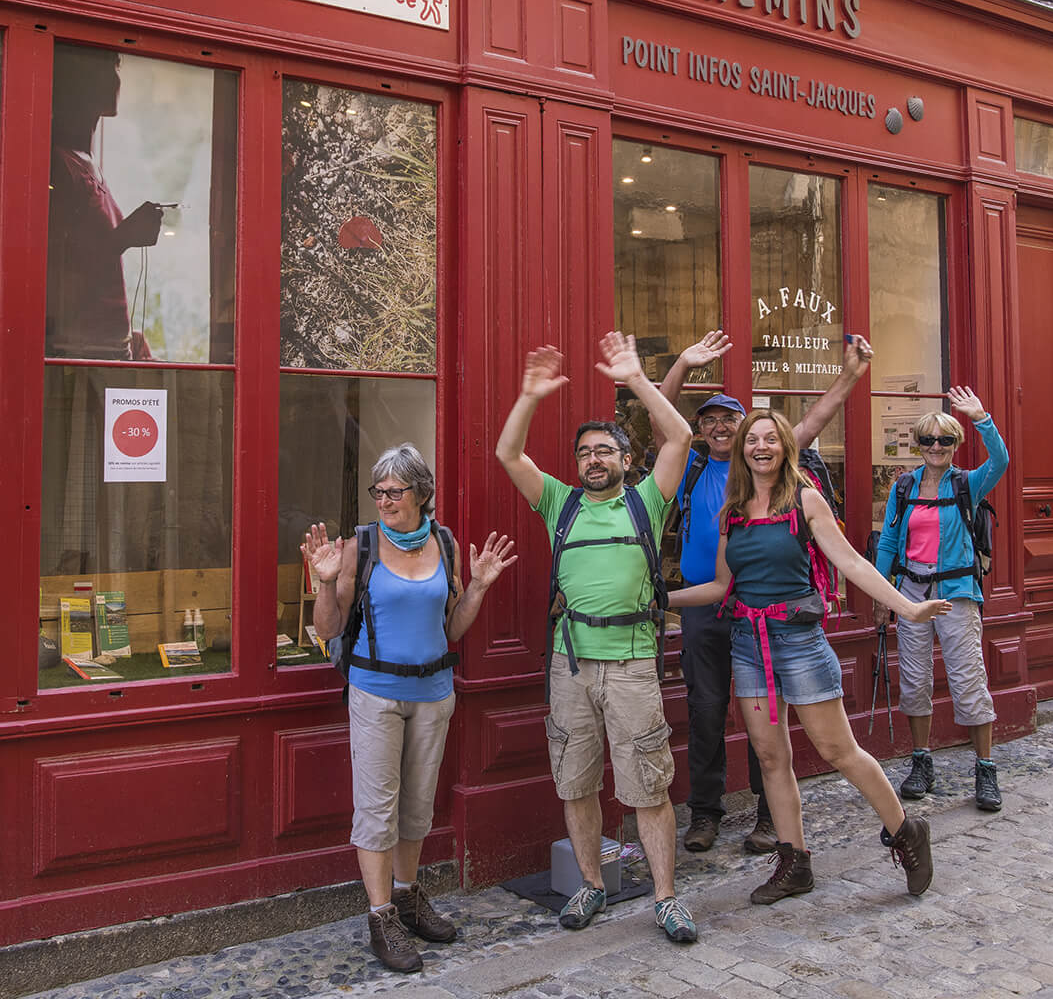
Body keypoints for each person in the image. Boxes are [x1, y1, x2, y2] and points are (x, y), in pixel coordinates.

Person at [667, 409, 951, 904]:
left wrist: (907, 607)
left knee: (838, 751)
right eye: (752, 440)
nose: (760, 447)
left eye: (770, 439)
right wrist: (658, 601)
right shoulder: (730, 512)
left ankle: (907, 832)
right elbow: (718, 586)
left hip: (798, 642)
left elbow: (850, 562)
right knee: (772, 758)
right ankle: (794, 861)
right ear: (742, 450)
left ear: (784, 448)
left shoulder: (805, 500)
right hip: (748, 645)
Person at [495, 333, 700, 945]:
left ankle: (664, 897)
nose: (592, 460)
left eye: (604, 450)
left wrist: (636, 379)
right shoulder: (558, 503)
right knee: (575, 780)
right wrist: (530, 396)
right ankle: (590, 883)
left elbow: (681, 438)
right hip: (571, 664)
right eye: (584, 452)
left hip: (633, 664)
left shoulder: (646, 502)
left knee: (648, 785)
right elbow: (509, 454)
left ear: (626, 461)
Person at [650, 330, 874, 855]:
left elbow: (813, 422)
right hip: (706, 604)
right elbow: (661, 415)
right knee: (706, 710)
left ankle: (770, 817)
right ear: (699, 430)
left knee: (766, 714)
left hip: (760, 609)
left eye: (732, 419)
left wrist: (848, 378)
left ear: (749, 430)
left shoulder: (763, 465)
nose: (722, 427)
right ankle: (705, 814)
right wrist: (683, 362)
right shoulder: (691, 466)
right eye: (710, 420)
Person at [301, 444, 516, 974]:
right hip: (375, 692)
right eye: (379, 490)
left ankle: (409, 895)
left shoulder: (444, 544)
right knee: (377, 809)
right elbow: (327, 629)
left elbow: (451, 628)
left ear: (423, 493)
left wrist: (481, 589)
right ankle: (381, 915)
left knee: (417, 808)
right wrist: (325, 582)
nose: (385, 500)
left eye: (395, 490)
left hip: (434, 693)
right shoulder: (360, 547)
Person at [873, 386, 1011, 812]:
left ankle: (985, 770)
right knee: (914, 681)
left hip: (956, 594)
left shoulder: (969, 483)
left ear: (955, 445)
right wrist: (883, 592)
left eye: (945, 440)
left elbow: (1002, 460)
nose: (936, 447)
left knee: (968, 682)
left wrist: (981, 417)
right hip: (911, 593)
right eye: (929, 440)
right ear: (918, 444)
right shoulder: (904, 486)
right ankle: (921, 762)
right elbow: (890, 541)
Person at [46, 45, 165, 360]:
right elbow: (54, 262)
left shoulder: (86, 160)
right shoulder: (58, 163)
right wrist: (123, 239)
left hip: (107, 343)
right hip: (80, 350)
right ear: (79, 82)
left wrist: (129, 335)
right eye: (107, 67)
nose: (115, 79)